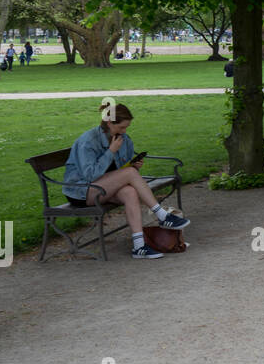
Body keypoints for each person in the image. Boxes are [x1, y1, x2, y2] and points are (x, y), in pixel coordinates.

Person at [63, 102, 190, 259]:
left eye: (126, 128)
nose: (124, 131)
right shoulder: (88, 141)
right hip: (81, 192)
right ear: (109, 123)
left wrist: (134, 166)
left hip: (104, 188)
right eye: (121, 127)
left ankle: (139, 247)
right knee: (129, 173)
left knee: (130, 191)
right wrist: (111, 152)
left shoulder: (123, 139)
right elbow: (90, 175)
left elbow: (122, 172)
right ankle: (162, 215)